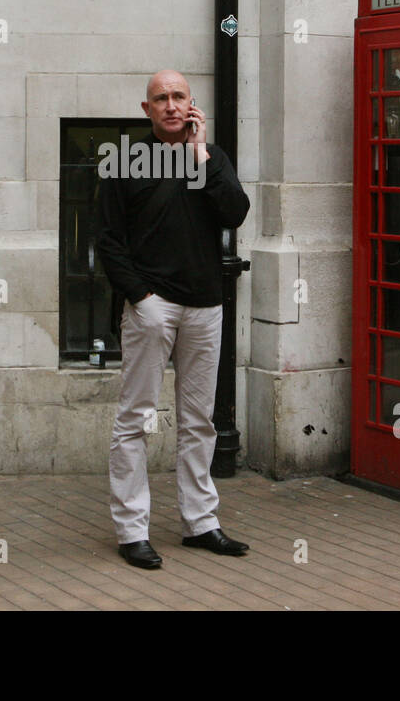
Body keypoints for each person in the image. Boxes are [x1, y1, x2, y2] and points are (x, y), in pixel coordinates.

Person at [97, 69, 251, 569]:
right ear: (147, 109)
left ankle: (201, 523)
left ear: (192, 104)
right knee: (136, 420)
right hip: (152, 306)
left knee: (199, 421)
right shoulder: (124, 160)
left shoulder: (210, 158)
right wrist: (140, 298)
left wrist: (201, 154)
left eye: (178, 96)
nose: (170, 105)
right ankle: (131, 528)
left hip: (206, 304)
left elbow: (234, 212)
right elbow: (107, 242)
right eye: (160, 98)